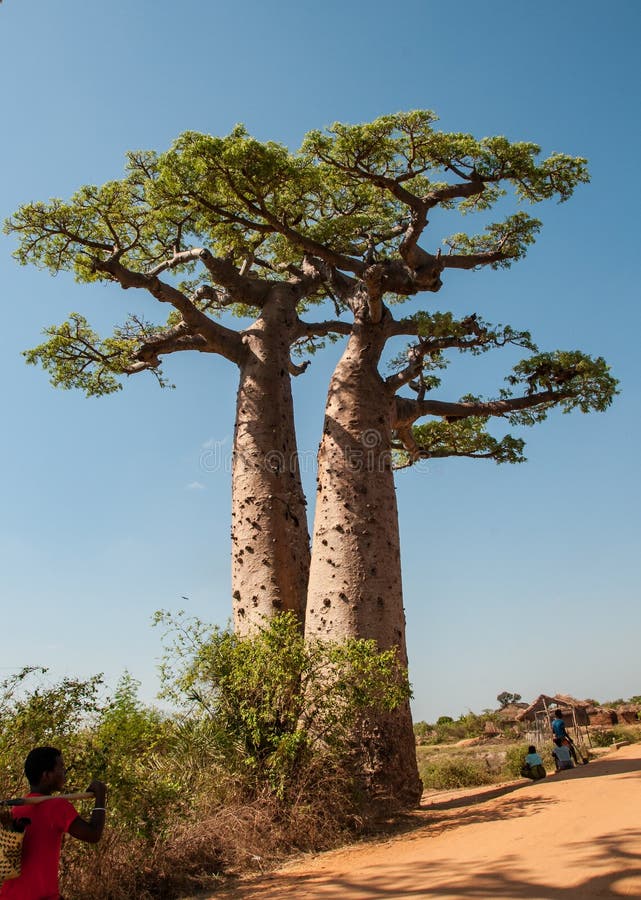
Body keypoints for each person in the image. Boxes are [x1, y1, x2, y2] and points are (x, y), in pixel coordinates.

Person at [0, 746, 106, 900]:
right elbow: (93, 834)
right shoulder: (57, 806)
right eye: (61, 767)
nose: (64, 772)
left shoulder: (16, 809)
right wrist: (100, 796)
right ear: (46, 775)